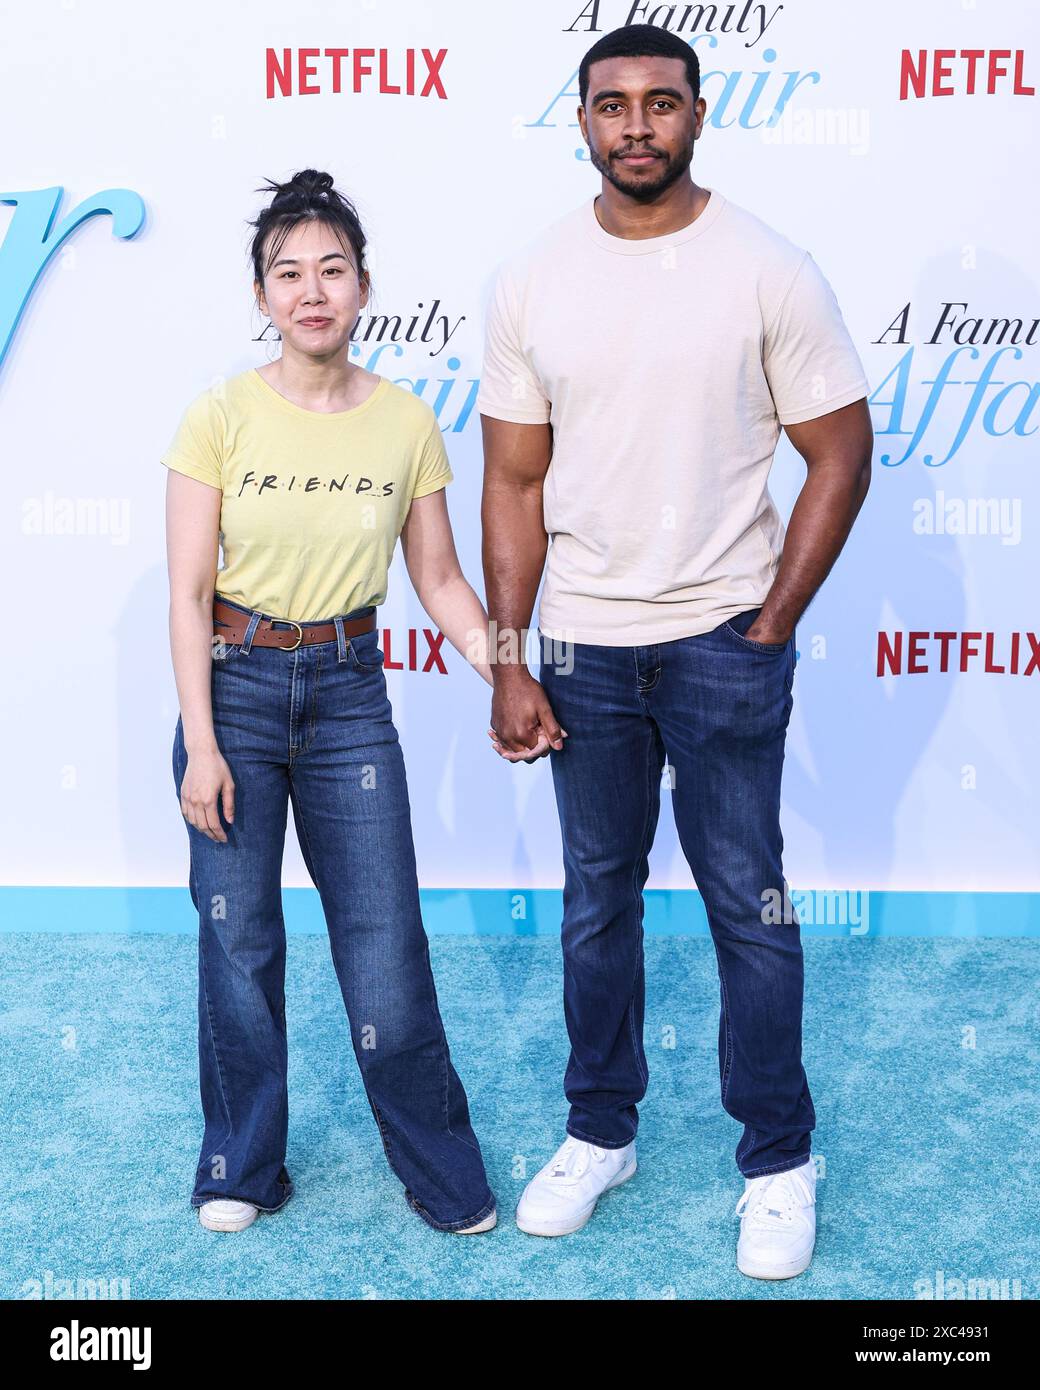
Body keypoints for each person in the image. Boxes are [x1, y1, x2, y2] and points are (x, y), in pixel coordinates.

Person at [478, 26, 873, 1278]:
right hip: (585, 648)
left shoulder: (766, 267)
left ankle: (776, 1159)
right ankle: (600, 1132)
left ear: (700, 114)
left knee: (747, 908)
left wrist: (769, 625)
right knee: (595, 904)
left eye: (659, 105)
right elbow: (510, 479)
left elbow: (840, 451)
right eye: (611, 106)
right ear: (580, 120)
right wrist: (506, 655)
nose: (635, 126)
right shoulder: (532, 276)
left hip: (719, 642)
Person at [163, 168, 497, 1235]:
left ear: (363, 287)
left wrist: (513, 667)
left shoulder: (405, 424)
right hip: (236, 688)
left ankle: (442, 1175)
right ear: (261, 294)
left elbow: (439, 580)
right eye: (287, 272)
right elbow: (185, 590)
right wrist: (203, 747)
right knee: (239, 941)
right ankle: (240, 1165)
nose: (311, 290)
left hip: (351, 696)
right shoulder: (217, 415)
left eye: (332, 270)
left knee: (385, 946)